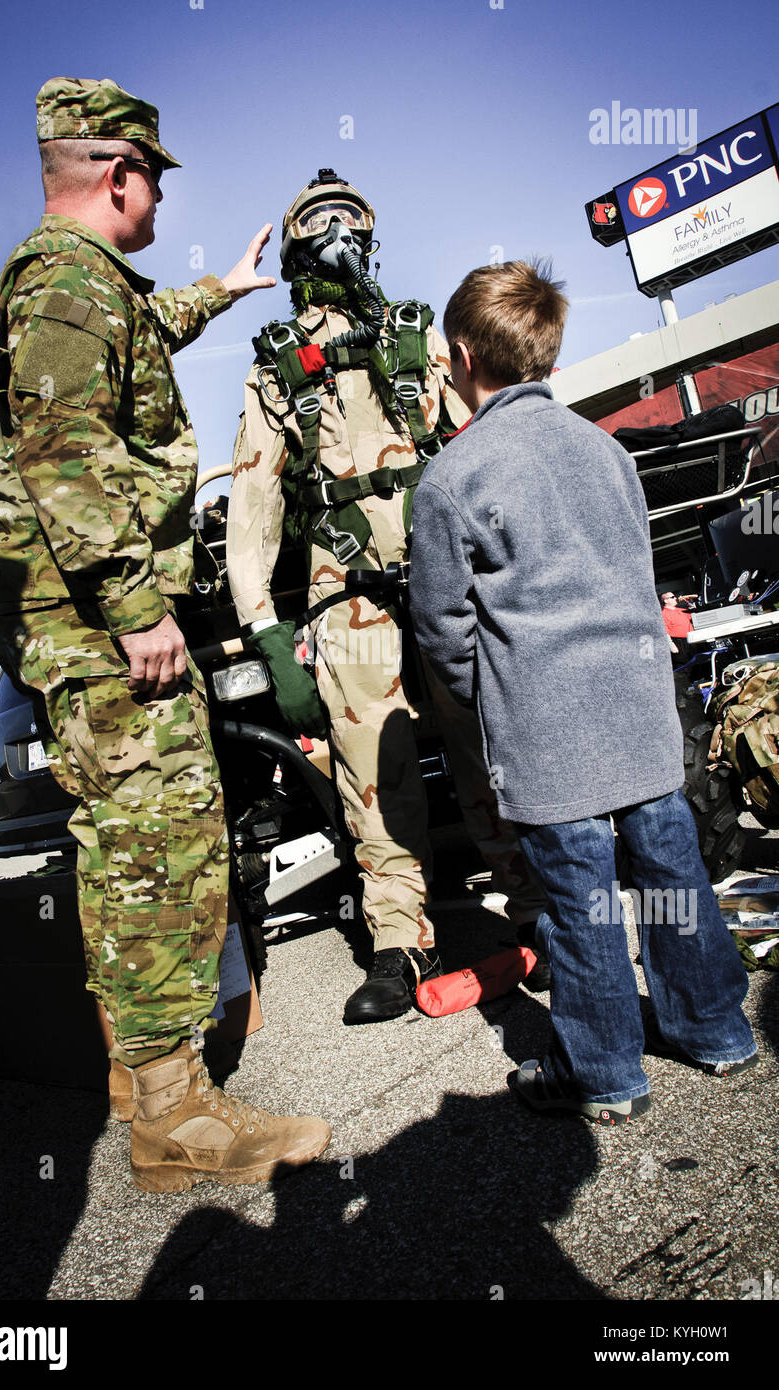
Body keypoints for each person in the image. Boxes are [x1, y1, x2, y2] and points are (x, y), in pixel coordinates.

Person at [0, 77, 330, 1191]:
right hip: (100, 633)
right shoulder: (66, 288)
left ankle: (165, 1091)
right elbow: (62, 458)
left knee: (162, 844)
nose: (162, 202)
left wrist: (220, 288)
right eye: (154, 181)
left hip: (91, 628)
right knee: (147, 858)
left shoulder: (85, 290)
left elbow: (144, 327)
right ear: (118, 175)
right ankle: (173, 1122)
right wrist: (134, 607)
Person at [409, 260, 757, 1126]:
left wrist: (478, 706)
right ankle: (716, 1031)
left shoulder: (452, 479)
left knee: (580, 899)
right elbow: (637, 576)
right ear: (547, 351)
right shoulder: (606, 450)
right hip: (638, 711)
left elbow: (441, 632)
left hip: (544, 723)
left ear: (460, 354)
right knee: (674, 872)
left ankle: (604, 1075)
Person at [226, 170, 547, 1025]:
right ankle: (399, 943)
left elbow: (486, 448)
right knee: (375, 779)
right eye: (318, 220)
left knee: (489, 749)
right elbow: (254, 511)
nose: (335, 230)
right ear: (297, 246)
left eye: (348, 218)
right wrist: (264, 631)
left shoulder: (421, 337)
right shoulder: (273, 371)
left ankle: (535, 914)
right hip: (347, 603)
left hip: (450, 582)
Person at [660, 590, 694, 657]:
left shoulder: (680, 610)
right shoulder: (664, 614)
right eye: (672, 597)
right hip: (680, 643)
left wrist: (689, 603)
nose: (675, 598)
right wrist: (671, 645)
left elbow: (693, 616)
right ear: (666, 601)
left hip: (692, 639)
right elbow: (665, 632)